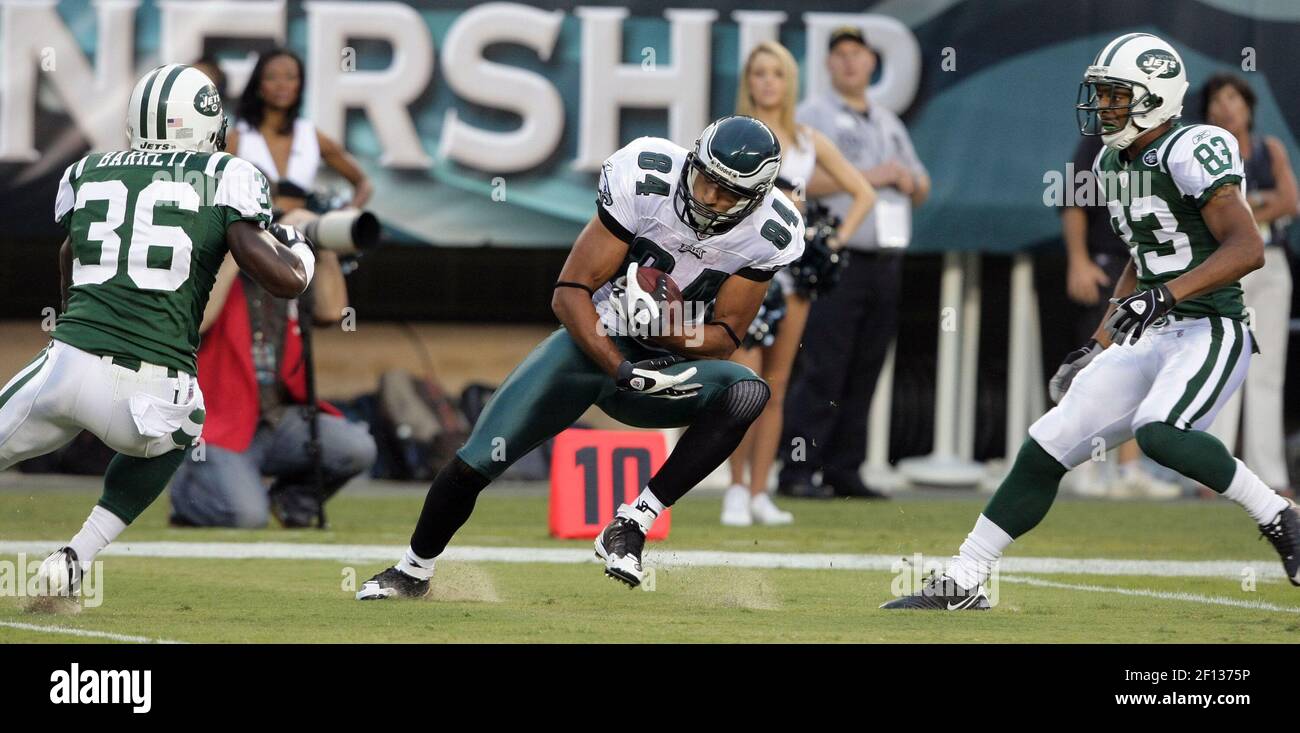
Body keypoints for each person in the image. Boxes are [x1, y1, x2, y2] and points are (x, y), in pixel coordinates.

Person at [885, 34, 1299, 610]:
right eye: (1103, 94)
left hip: (1211, 327)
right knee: (1047, 441)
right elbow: (1144, 252)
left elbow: (1248, 246)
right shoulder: (1111, 160)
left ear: (1153, 99)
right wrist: (1099, 341)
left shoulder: (1192, 147)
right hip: (1155, 330)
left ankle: (1279, 514)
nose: (1103, 107)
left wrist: (1167, 297)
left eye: (1115, 95)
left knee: (1160, 429)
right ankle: (967, 576)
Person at [356, 116, 804, 599]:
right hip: (590, 344)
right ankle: (413, 570)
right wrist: (619, 367)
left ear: (756, 199)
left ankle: (632, 522)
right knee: (476, 461)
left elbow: (724, 336)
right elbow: (569, 293)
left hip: (664, 366)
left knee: (746, 391)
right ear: (691, 161)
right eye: (704, 180)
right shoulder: (646, 176)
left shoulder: (769, 232)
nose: (710, 198)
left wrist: (668, 333)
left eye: (728, 193)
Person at [0, 64, 313, 598]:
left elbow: (69, 255)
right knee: (186, 426)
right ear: (202, 125)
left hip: (67, 364)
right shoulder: (228, 175)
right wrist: (299, 247)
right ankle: (77, 554)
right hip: (152, 392)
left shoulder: (87, 171)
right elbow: (284, 281)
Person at [723, 41, 875, 526]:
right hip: (744, 272)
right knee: (740, 385)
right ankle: (735, 487)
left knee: (777, 386)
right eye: (759, 73)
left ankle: (761, 491)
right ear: (748, 81)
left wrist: (832, 244)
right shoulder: (728, 136)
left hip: (793, 277)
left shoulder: (808, 140)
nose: (767, 82)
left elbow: (863, 192)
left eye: (777, 74)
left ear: (789, 83)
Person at [778, 26, 930, 500]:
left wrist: (907, 181)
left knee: (866, 367)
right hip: (836, 254)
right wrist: (870, 176)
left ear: (871, 63)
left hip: (885, 258)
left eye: (858, 55)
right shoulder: (812, 116)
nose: (849, 63)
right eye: (840, 55)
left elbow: (923, 187)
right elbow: (796, 183)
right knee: (824, 366)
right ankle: (799, 470)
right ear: (829, 65)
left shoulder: (887, 121)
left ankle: (846, 468)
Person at [166, 224, 374, 528]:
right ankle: (188, 492)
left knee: (357, 446)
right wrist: (241, 241)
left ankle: (291, 502)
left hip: (275, 421)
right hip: (220, 423)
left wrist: (319, 242)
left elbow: (332, 312)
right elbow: (195, 323)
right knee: (248, 517)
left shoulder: (287, 266)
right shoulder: (205, 257)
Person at [1057, 136, 1181, 500]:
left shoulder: (1165, 146)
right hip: (1109, 265)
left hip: (1149, 272)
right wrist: (1079, 260)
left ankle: (1128, 468)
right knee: (1097, 367)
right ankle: (1079, 463)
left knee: (1138, 370)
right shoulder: (1100, 144)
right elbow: (1074, 201)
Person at [1201, 73, 1297, 498]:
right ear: (1206, 112)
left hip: (1270, 263)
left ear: (1248, 108)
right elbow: (1209, 210)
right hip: (1226, 264)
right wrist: (1256, 205)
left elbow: (1289, 202)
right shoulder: (1201, 154)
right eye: (1219, 101)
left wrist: (1247, 207)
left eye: (1235, 100)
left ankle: (1269, 473)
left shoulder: (1268, 149)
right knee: (1222, 366)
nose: (1227, 109)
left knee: (1266, 370)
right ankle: (1213, 471)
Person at [225, 48, 373, 227]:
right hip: (254, 230)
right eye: (272, 77)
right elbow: (215, 189)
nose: (282, 85)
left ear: (300, 85)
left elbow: (363, 182)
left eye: (290, 77)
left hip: (304, 231)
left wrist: (347, 214)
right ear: (258, 86)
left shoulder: (310, 134)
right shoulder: (239, 137)